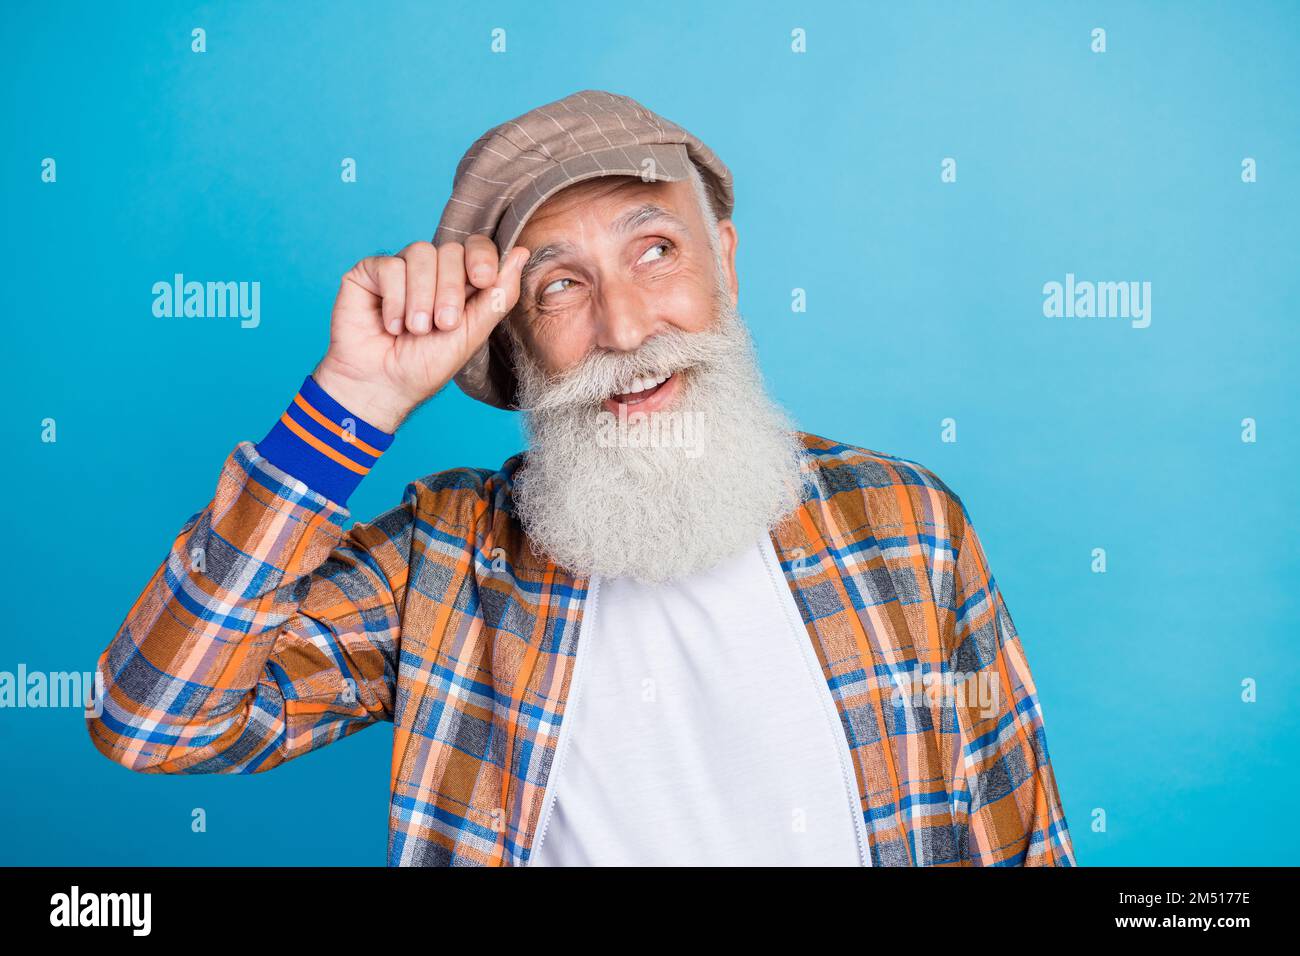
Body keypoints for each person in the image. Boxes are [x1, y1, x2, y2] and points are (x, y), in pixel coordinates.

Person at [87, 89, 1075, 867]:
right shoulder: (445, 560)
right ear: (510, 338)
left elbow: (1019, 838)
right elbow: (155, 721)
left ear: (725, 262)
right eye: (560, 285)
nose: (627, 328)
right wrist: (350, 406)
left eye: (657, 251)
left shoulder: (908, 523)